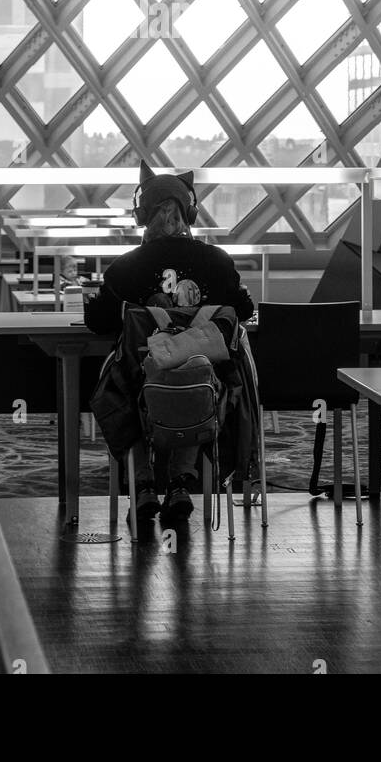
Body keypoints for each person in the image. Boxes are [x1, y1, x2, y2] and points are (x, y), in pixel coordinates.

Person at [86, 163, 254, 523]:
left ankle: (143, 483)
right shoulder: (218, 262)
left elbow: (96, 321)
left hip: (141, 387)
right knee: (193, 373)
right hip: (205, 393)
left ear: (142, 215)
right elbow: (243, 310)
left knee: (123, 389)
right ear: (189, 211)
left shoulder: (124, 268)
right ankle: (180, 481)